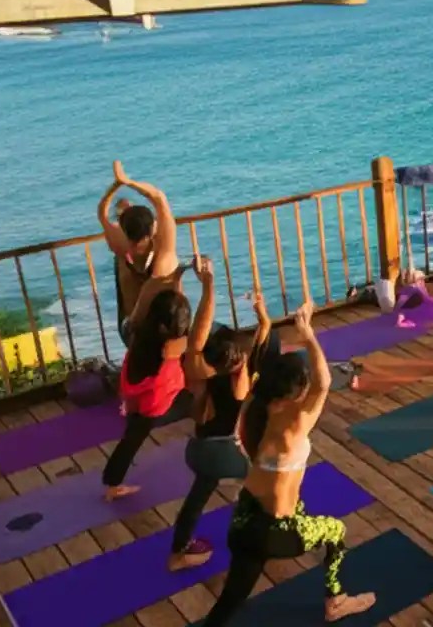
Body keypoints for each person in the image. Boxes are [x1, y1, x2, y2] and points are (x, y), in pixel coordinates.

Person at [203, 301, 373, 625]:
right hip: (274, 529)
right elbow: (324, 383)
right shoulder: (294, 426)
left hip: (243, 521)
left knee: (229, 602)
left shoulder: (253, 404)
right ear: (291, 396)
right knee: (336, 531)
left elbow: (260, 361)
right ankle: (335, 601)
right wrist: (308, 335)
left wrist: (267, 325)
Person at [168, 258, 271, 571]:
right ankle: (264, 532)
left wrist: (206, 286)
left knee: (198, 496)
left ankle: (178, 553)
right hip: (232, 455)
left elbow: (197, 335)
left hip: (199, 452)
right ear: (238, 357)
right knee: (269, 474)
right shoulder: (246, 373)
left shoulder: (199, 374)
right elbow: (265, 329)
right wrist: (260, 310)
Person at [103, 267, 194, 501]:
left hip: (135, 391)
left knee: (132, 436)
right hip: (158, 402)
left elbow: (175, 306)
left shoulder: (142, 332)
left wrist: (178, 276)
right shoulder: (170, 347)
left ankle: (112, 481)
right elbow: (193, 334)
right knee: (202, 396)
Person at [97, 160, 180, 345]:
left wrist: (115, 186)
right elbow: (158, 197)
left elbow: (101, 211)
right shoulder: (164, 248)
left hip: (131, 329)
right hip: (163, 327)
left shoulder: (119, 244)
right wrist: (128, 181)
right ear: (152, 228)